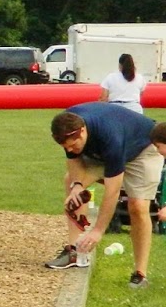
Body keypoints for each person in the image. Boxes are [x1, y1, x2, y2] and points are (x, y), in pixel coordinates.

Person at [47, 105, 166, 289]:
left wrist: (98, 230)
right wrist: (77, 186)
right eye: (67, 147)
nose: (72, 149)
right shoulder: (65, 126)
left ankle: (140, 274)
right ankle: (75, 252)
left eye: (74, 144)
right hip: (104, 149)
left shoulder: (111, 138)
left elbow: (113, 191)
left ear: (83, 131)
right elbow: (74, 160)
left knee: (137, 206)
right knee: (70, 181)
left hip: (143, 149)